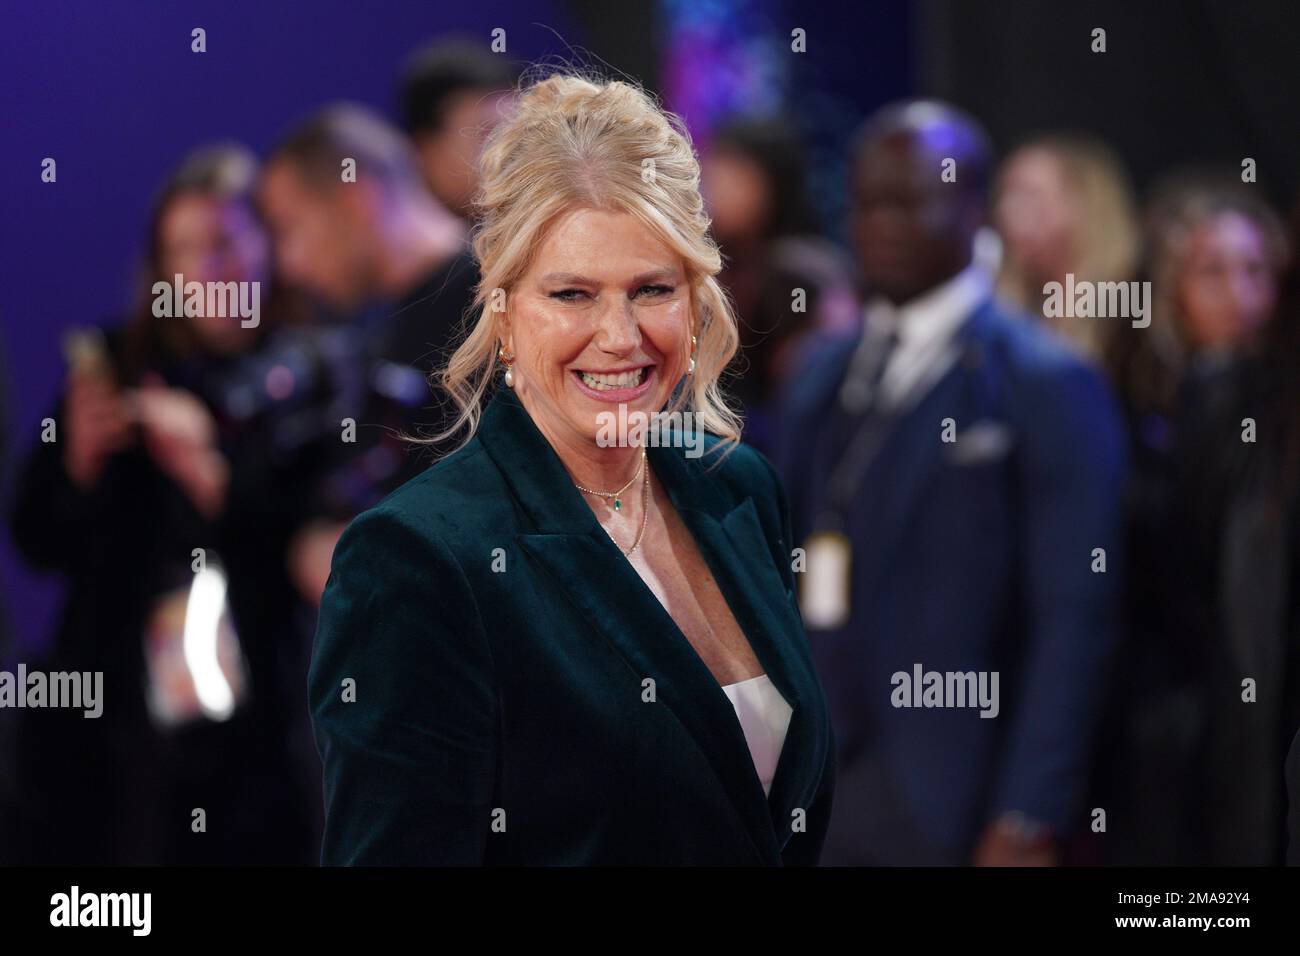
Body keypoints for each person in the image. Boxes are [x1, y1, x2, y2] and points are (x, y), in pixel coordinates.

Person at [308, 72, 836, 866]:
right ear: (505, 312)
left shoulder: (739, 487)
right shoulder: (418, 560)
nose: (619, 336)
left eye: (651, 288)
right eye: (573, 294)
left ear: (696, 301)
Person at [775, 100, 1126, 865]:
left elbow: (1076, 617)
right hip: (817, 794)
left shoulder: (1048, 382)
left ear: (974, 208)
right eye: (867, 203)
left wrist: (1031, 810)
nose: (881, 225)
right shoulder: (819, 376)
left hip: (963, 799)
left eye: (908, 201)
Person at [8, 144, 326, 864]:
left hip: (271, 718)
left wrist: (212, 470)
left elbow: (325, 548)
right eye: (184, 248)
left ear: (268, 243)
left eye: (224, 240)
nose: (208, 268)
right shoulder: (118, 365)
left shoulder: (315, 368)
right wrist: (79, 461)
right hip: (120, 729)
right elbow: (34, 537)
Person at [258, 104, 480, 605]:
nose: (287, 266)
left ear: (358, 196)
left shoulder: (499, 306)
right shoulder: (384, 339)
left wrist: (361, 558)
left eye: (289, 227)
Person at [993, 134, 1140, 362]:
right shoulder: (1006, 301)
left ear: (1084, 202)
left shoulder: (1129, 306)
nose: (1007, 212)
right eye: (1006, 195)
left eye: (1030, 195)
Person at [398, 36, 516, 223]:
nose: (512, 154)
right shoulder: (401, 247)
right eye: (489, 135)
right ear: (426, 150)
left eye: (518, 132)